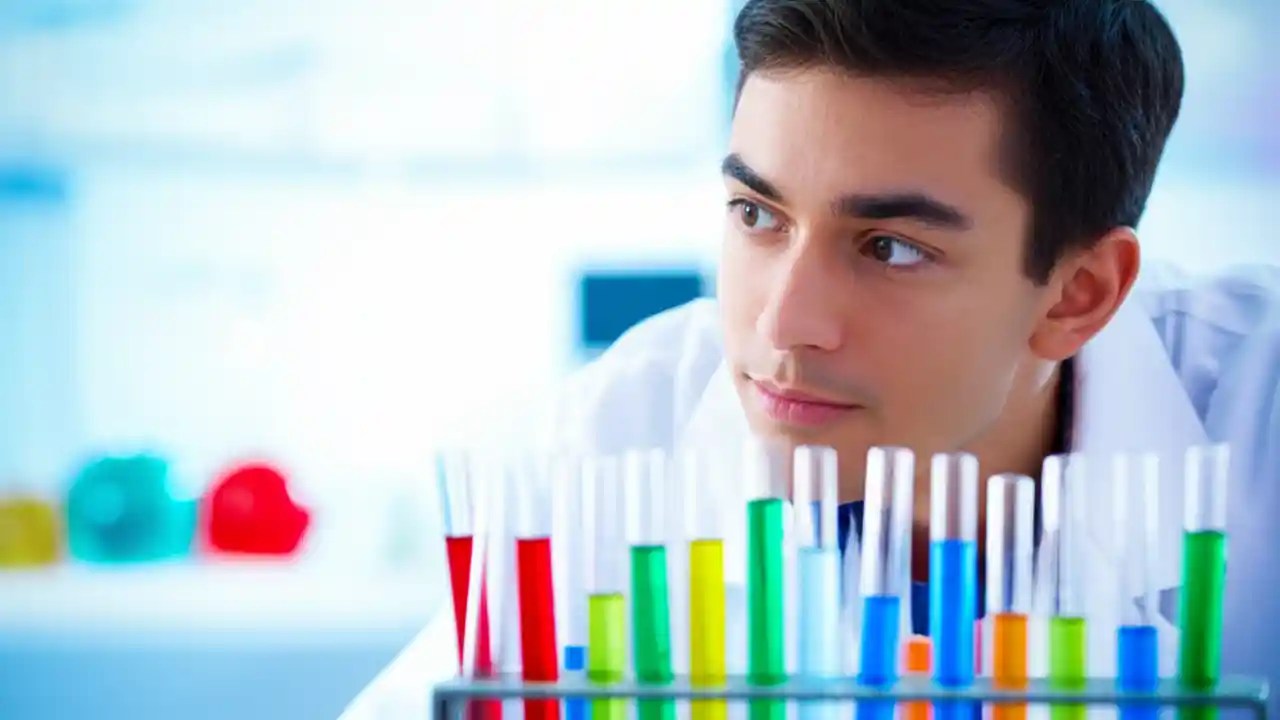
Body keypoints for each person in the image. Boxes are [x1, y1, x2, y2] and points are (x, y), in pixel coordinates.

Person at [342, 0, 1280, 716]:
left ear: (1079, 294)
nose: (785, 325)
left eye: (892, 248)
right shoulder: (624, 428)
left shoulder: (1260, 408)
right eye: (758, 215)